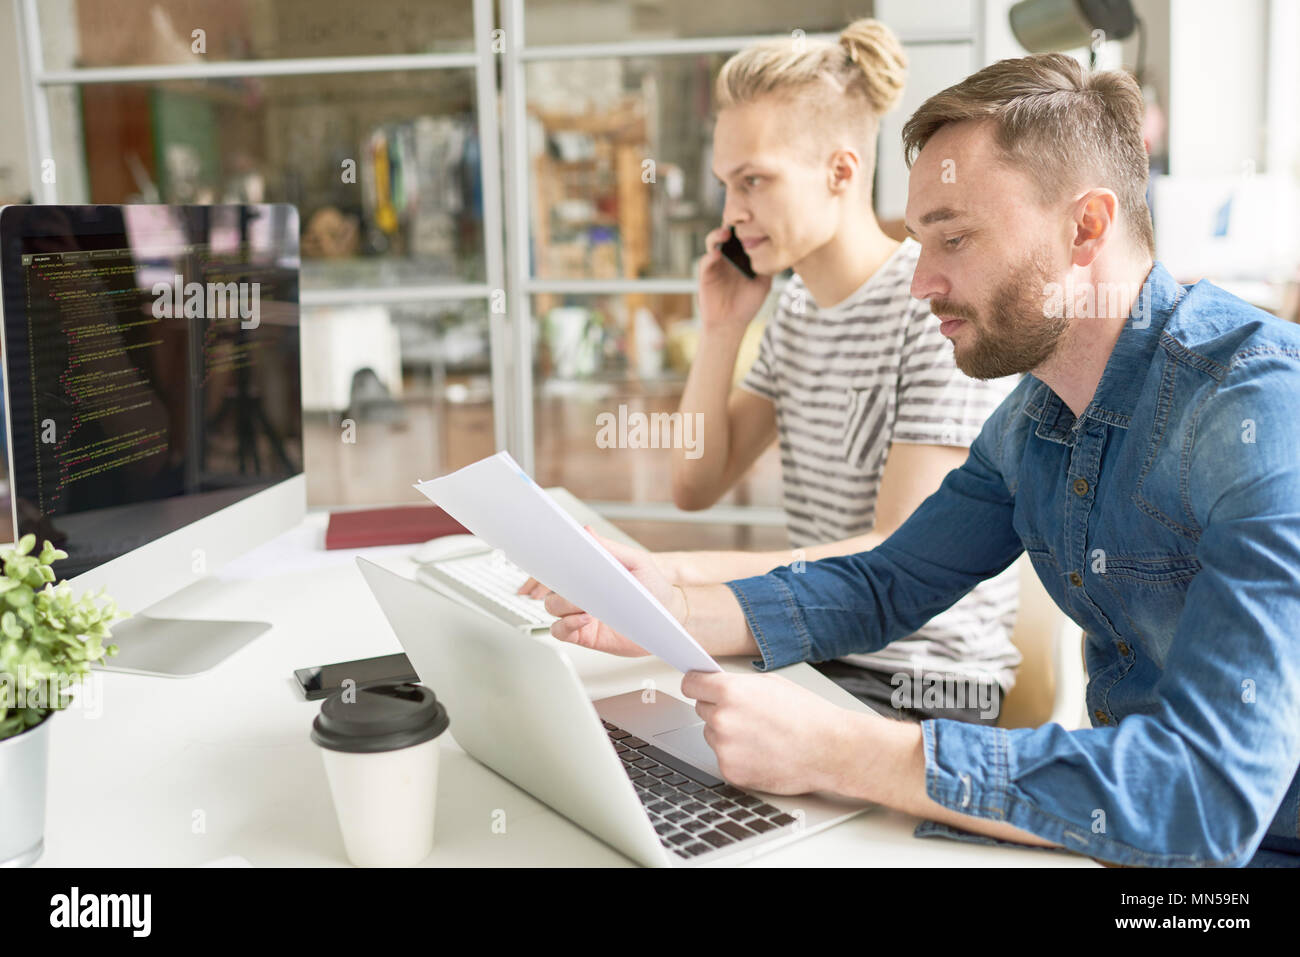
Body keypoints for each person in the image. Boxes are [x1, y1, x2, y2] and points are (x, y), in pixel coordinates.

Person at [542, 53, 1300, 867]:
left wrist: (843, 750)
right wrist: (669, 606)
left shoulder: (1258, 408)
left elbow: (1206, 797)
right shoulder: (1034, 419)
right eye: (920, 239)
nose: (921, 281)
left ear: (1085, 228)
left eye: (956, 237)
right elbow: (888, 579)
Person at [525, 19, 1022, 726]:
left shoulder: (929, 309)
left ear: (841, 172)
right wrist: (723, 325)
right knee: (606, 719)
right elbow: (696, 483)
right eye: (727, 185)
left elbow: (900, 554)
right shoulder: (796, 309)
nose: (732, 213)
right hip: (819, 645)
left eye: (754, 181)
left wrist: (679, 578)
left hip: (923, 681)